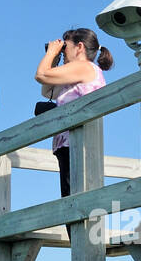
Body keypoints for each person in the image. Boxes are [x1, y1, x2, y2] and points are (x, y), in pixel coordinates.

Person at [35, 28, 114, 199]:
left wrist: (50, 53)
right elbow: (47, 90)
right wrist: (55, 59)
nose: (63, 52)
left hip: (77, 145)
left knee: (74, 204)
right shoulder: (77, 73)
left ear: (79, 47)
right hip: (70, 146)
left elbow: (41, 74)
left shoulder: (84, 67)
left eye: (66, 47)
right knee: (72, 203)